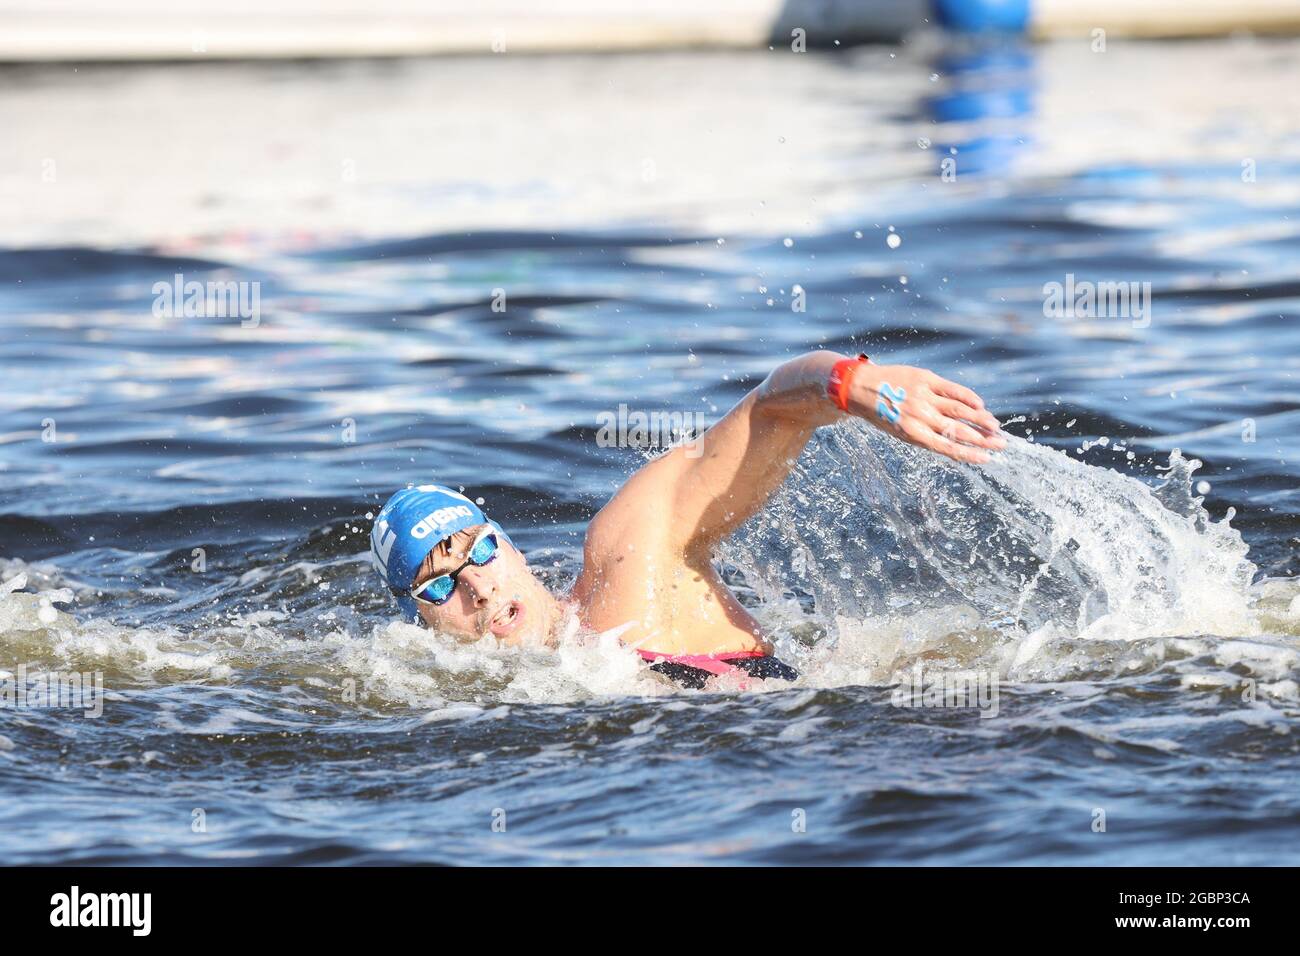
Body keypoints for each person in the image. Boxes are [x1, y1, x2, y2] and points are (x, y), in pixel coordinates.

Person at [369, 351, 1004, 688]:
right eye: (438, 584)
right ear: (417, 624)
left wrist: (850, 385)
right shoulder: (463, 710)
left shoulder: (626, 560)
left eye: (478, 552)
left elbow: (770, 409)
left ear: (512, 550)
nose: (477, 587)